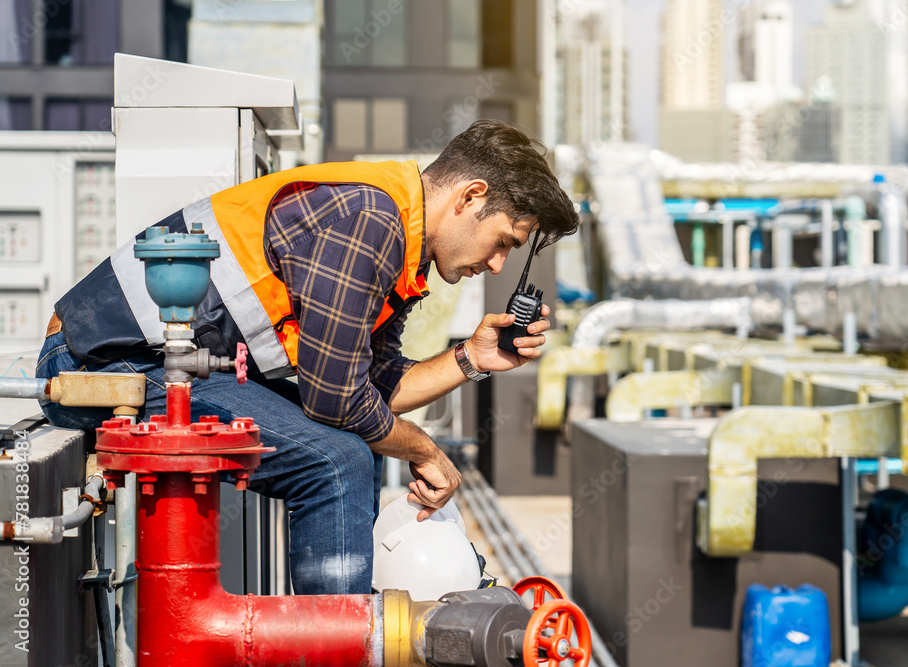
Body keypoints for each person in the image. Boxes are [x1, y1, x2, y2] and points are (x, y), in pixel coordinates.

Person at [35, 119, 580, 595]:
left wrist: (470, 358)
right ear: (469, 197)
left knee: (352, 448)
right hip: (102, 366)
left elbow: (369, 387)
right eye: (505, 240)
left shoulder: (398, 234)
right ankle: (334, 644)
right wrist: (423, 449)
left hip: (163, 363)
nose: (498, 265)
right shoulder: (368, 218)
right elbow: (338, 399)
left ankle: (346, 625)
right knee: (338, 462)